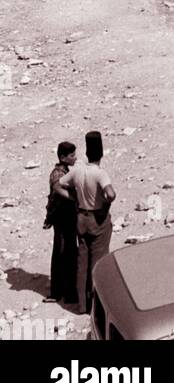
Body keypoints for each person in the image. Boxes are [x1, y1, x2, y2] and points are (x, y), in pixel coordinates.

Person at [55, 130, 116, 315]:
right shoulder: (100, 173)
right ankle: (96, 306)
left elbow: (58, 185)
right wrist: (105, 204)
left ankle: (82, 305)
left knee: (83, 262)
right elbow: (111, 194)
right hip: (97, 219)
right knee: (98, 262)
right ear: (101, 153)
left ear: (87, 153)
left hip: (81, 217)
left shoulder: (77, 170)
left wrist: (73, 199)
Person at [44, 141, 78, 306]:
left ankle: (62, 291)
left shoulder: (65, 171)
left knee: (66, 253)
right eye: (72, 155)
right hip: (62, 219)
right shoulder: (57, 173)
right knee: (64, 253)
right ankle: (63, 293)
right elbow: (58, 188)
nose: (75, 158)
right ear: (63, 157)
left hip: (67, 218)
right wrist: (75, 199)